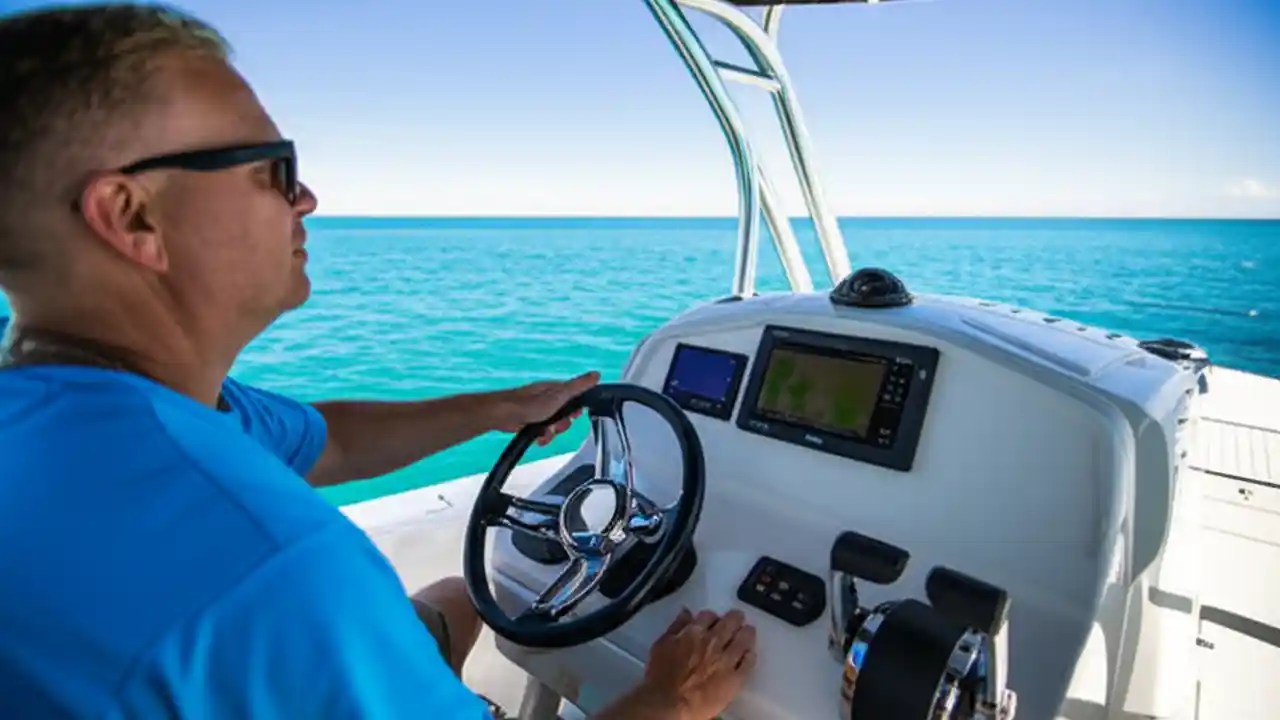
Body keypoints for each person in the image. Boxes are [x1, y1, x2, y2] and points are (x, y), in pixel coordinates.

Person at [0, 4, 757, 719]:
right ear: (133, 216)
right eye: (273, 170)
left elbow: (325, 439)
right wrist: (674, 698)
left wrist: (498, 411)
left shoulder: (98, 406)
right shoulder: (269, 565)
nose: (309, 200)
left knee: (460, 595)